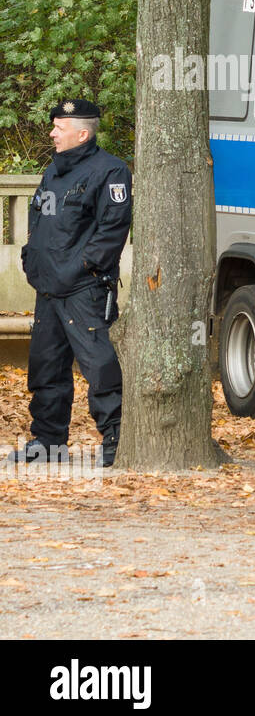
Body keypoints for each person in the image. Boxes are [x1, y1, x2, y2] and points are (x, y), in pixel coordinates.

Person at [7, 99, 132, 468]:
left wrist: (82, 267)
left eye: (58, 128)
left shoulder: (111, 171)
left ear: (82, 134)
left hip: (84, 290)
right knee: (46, 368)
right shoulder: (54, 170)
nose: (51, 133)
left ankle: (116, 440)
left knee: (101, 368)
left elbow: (113, 230)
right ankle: (48, 442)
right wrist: (31, 257)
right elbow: (39, 218)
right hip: (48, 289)